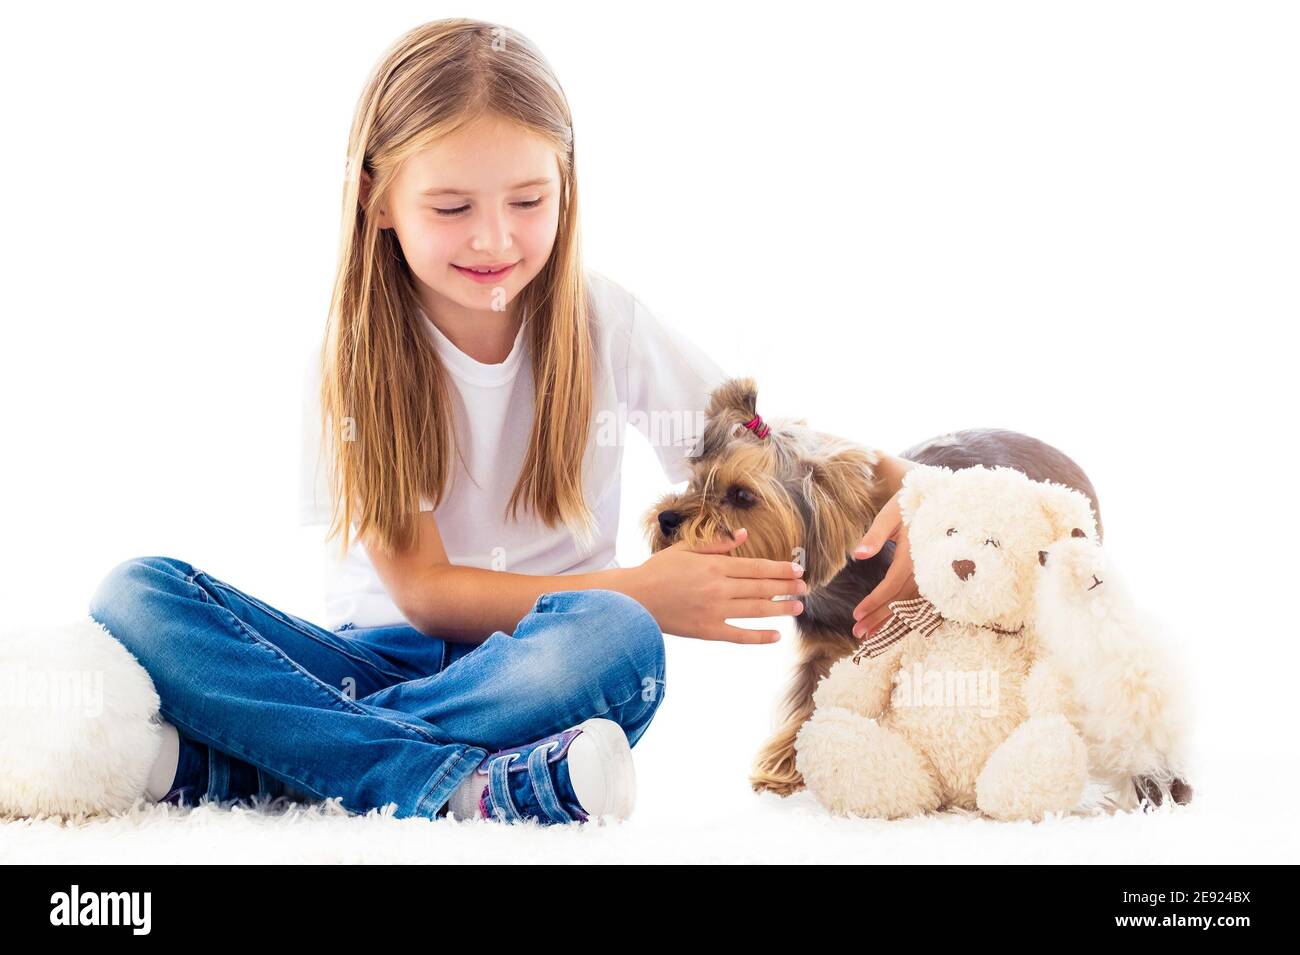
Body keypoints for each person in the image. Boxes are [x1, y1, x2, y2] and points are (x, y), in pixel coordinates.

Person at [88, 18, 920, 827]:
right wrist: (645, 586)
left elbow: (772, 446)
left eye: (528, 200)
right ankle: (462, 783)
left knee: (620, 640)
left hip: (544, 668)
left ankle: (263, 764)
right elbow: (426, 592)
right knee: (137, 593)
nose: (495, 237)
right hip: (372, 662)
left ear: (566, 185)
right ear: (378, 201)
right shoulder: (354, 360)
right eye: (451, 207)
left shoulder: (605, 324)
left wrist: (925, 497)